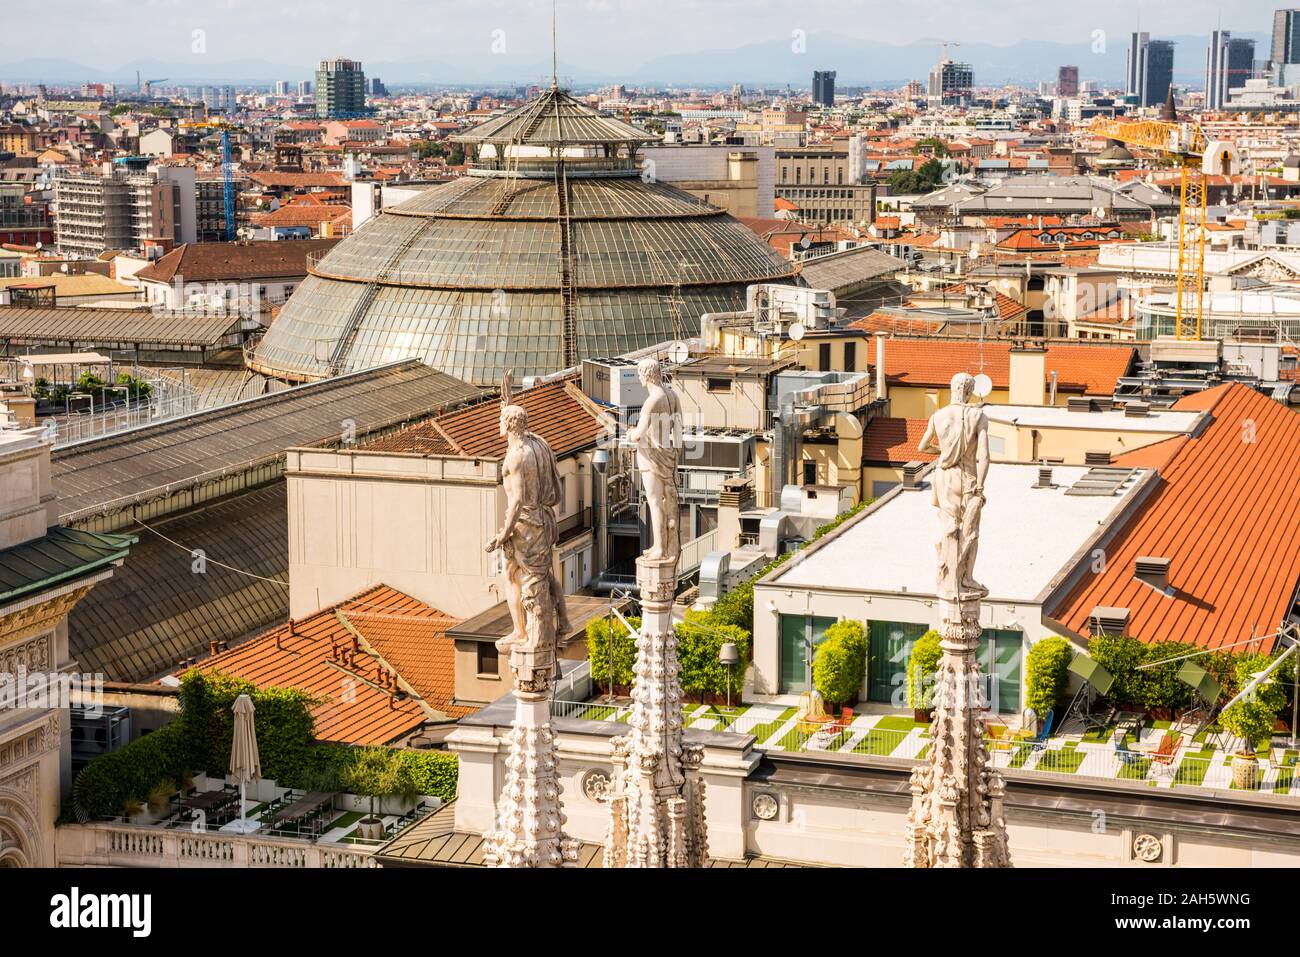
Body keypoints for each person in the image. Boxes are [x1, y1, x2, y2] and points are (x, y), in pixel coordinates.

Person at [486, 391, 572, 654]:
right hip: (544, 519)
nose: (498, 423)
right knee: (543, 573)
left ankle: (523, 632)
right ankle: (564, 621)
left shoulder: (515, 457)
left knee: (516, 576)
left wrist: (503, 534)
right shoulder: (539, 444)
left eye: (501, 419)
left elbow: (517, 501)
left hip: (525, 524)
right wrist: (508, 402)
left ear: (508, 425)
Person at [918, 371, 989, 603]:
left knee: (949, 527)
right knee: (970, 531)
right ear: (969, 392)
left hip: (944, 476)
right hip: (967, 477)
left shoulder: (938, 415)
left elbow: (922, 447)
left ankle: (946, 572)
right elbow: (984, 456)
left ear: (952, 389)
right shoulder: (978, 416)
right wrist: (980, 486)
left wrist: (943, 452)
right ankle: (966, 577)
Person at [627, 356, 683, 562]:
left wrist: (630, 433)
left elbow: (639, 434)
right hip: (668, 455)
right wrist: (674, 455)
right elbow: (679, 430)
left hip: (652, 457)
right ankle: (663, 545)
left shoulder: (651, 402)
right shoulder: (672, 395)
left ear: (646, 375)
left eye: (639, 374)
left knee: (655, 501)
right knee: (666, 502)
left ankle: (660, 548)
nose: (639, 378)